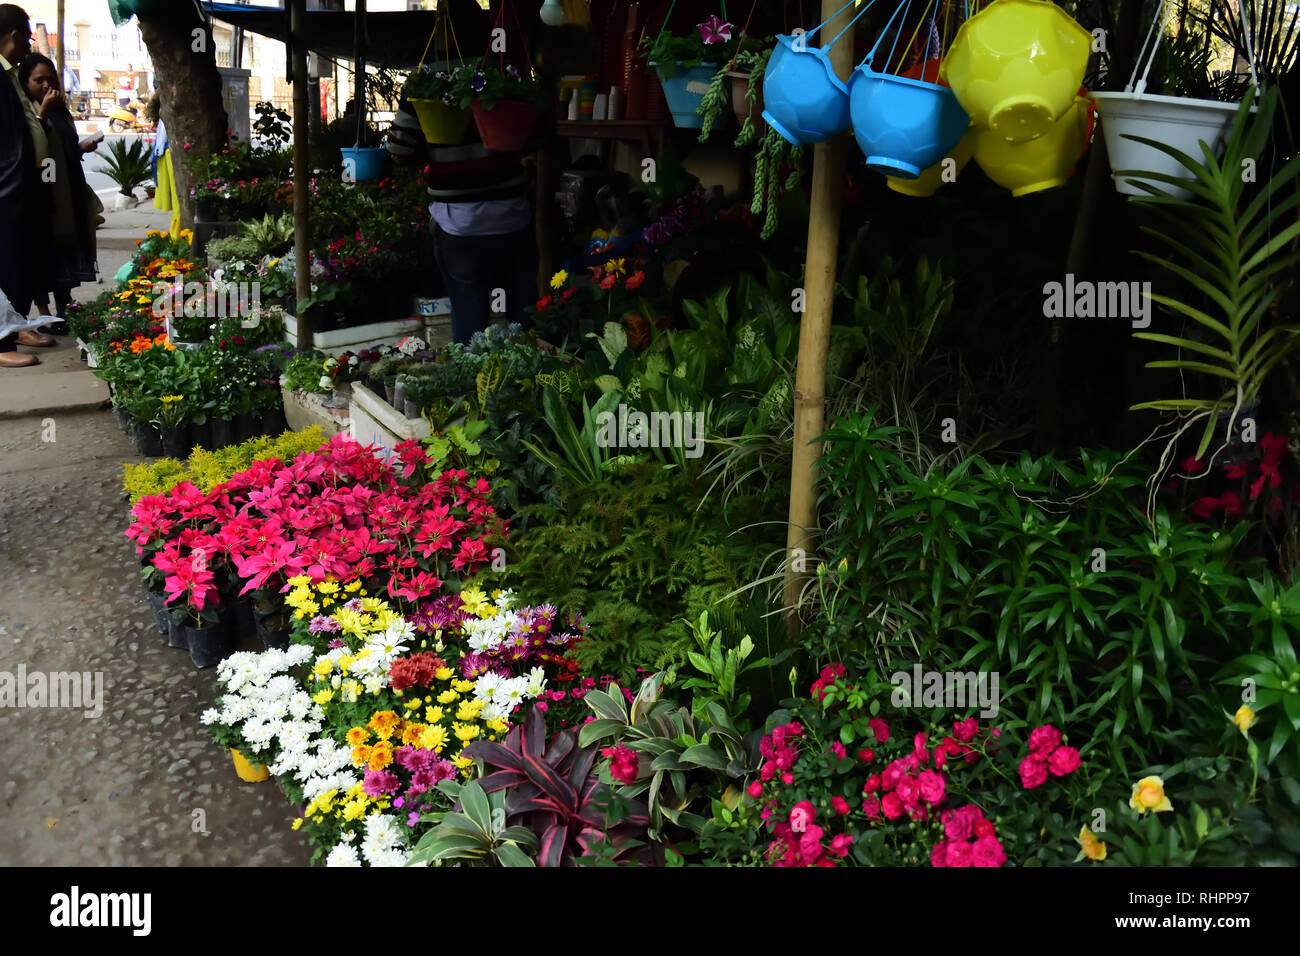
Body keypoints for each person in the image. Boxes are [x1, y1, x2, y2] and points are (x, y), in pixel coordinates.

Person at [21, 51, 98, 335]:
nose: (44, 85)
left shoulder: (60, 110)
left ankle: (64, 307)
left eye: (49, 79)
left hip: (67, 189)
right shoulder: (27, 111)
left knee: (66, 249)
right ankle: (44, 313)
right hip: (41, 194)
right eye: (37, 80)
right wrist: (42, 112)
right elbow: (31, 149)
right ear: (25, 82)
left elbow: (63, 150)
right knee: (44, 253)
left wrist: (81, 149)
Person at [0, 3, 55, 367]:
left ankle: (16, 326)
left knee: (20, 261)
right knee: (8, 263)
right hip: (8, 188)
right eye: (27, 39)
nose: (28, 47)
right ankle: (3, 344)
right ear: (16, 36)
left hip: (21, 185)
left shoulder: (7, 72)